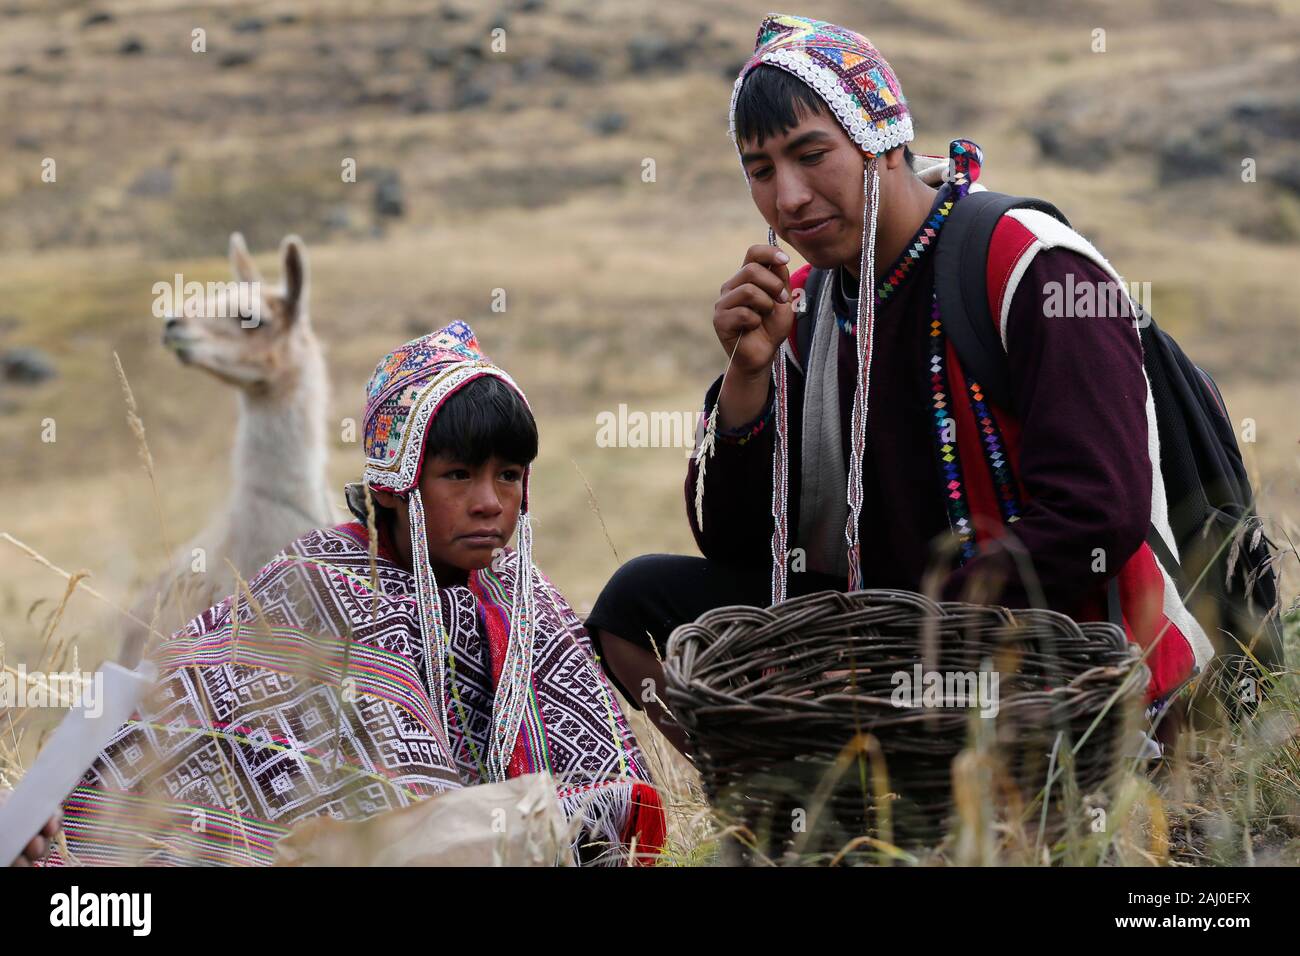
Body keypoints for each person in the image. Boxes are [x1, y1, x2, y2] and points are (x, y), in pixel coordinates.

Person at [587, 13, 1214, 753]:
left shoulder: (1029, 266)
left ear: (882, 138)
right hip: (886, 645)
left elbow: (1095, 516)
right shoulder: (809, 308)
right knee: (637, 606)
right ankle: (792, 805)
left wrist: (914, 632)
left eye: (811, 154)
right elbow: (743, 545)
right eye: (760, 170)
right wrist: (747, 378)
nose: (787, 198)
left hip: (1061, 655)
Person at [19, 320, 664, 866]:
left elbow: (611, 792)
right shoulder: (328, 583)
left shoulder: (525, 599)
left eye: (510, 476)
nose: (490, 502)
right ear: (392, 486)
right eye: (458, 475)